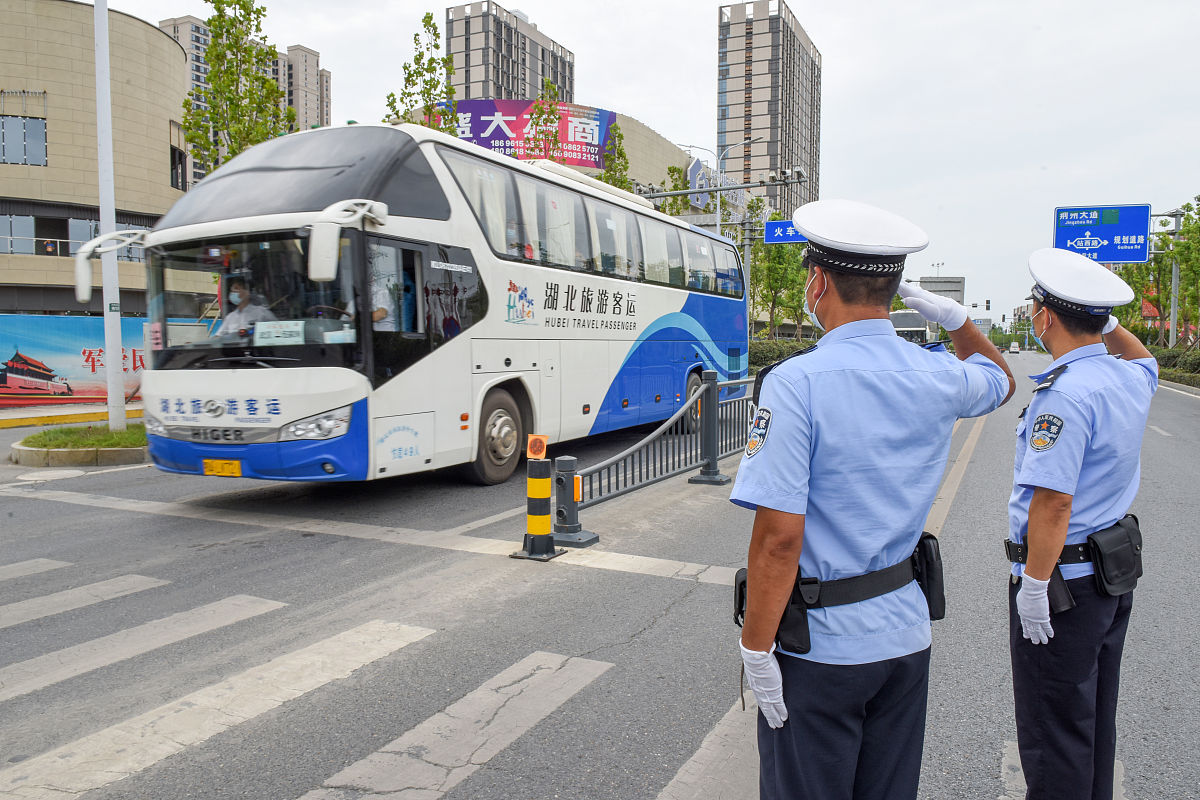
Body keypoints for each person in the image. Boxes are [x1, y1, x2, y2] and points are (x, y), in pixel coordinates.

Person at [731, 199, 1015, 800]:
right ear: (894, 289)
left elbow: (779, 539)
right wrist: (957, 321)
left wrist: (756, 648)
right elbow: (1002, 380)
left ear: (818, 281)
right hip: (904, 638)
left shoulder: (796, 382)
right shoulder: (938, 373)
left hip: (821, 650)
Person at [1005, 248, 1156, 800]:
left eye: (1035, 309)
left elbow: (1052, 503)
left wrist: (1034, 587)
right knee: (1091, 718)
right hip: (1109, 576)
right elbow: (1145, 357)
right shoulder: (1129, 377)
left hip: (1063, 586)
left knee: (1054, 732)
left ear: (1045, 316)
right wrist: (1105, 321)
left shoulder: (1065, 394)